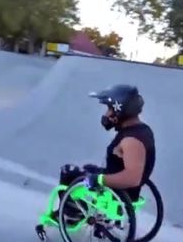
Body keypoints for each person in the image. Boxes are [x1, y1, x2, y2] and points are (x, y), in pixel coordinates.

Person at [54, 84, 156, 224]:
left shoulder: (131, 140)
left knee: (68, 172)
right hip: (124, 189)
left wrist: (99, 179)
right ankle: (76, 210)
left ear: (119, 110)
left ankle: (71, 215)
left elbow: (132, 178)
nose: (106, 114)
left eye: (109, 109)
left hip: (116, 194)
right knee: (88, 168)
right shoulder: (142, 130)